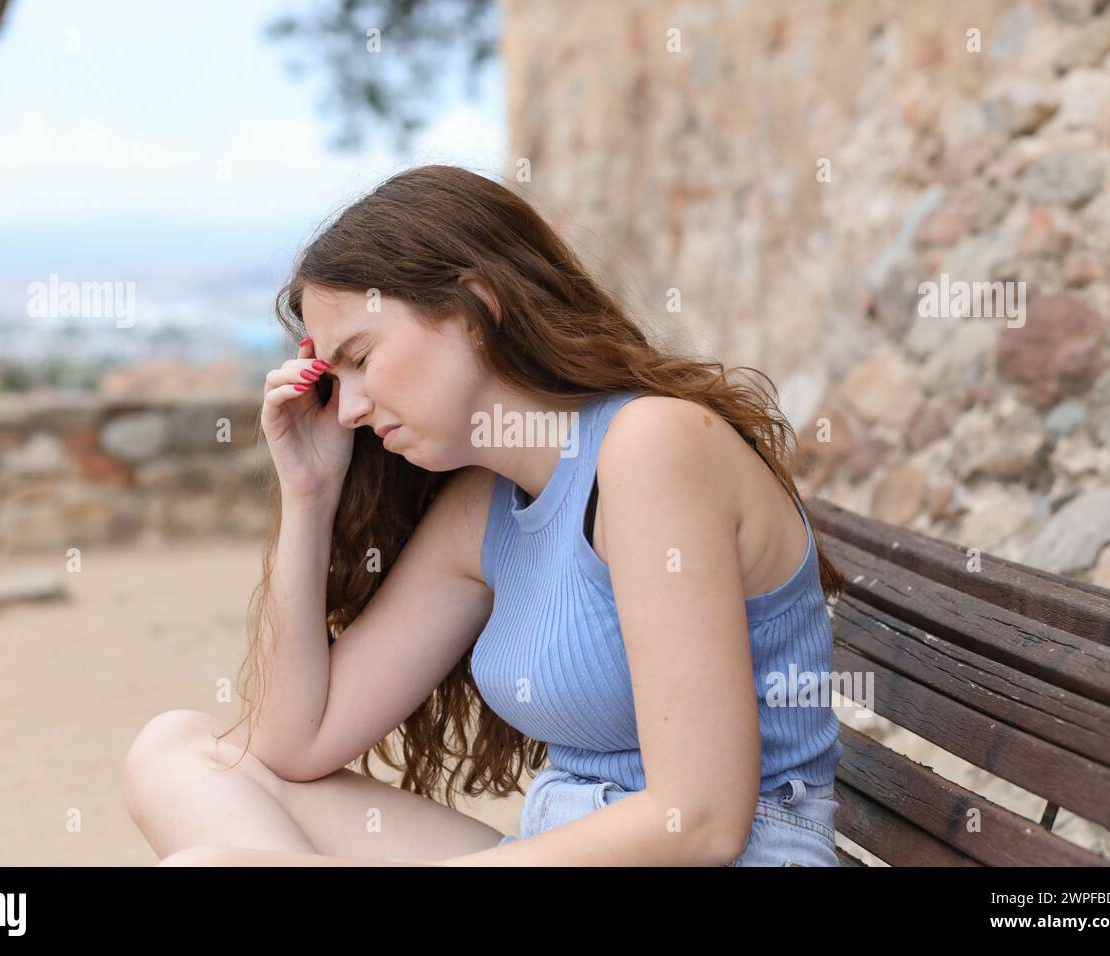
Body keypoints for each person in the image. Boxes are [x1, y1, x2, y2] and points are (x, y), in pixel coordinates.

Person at [122, 164, 846, 867]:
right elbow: (293, 746)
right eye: (330, 377)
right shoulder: (487, 501)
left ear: (474, 308)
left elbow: (701, 824)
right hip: (564, 849)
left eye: (361, 358)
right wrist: (308, 494)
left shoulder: (652, 447)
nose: (346, 408)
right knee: (176, 752)